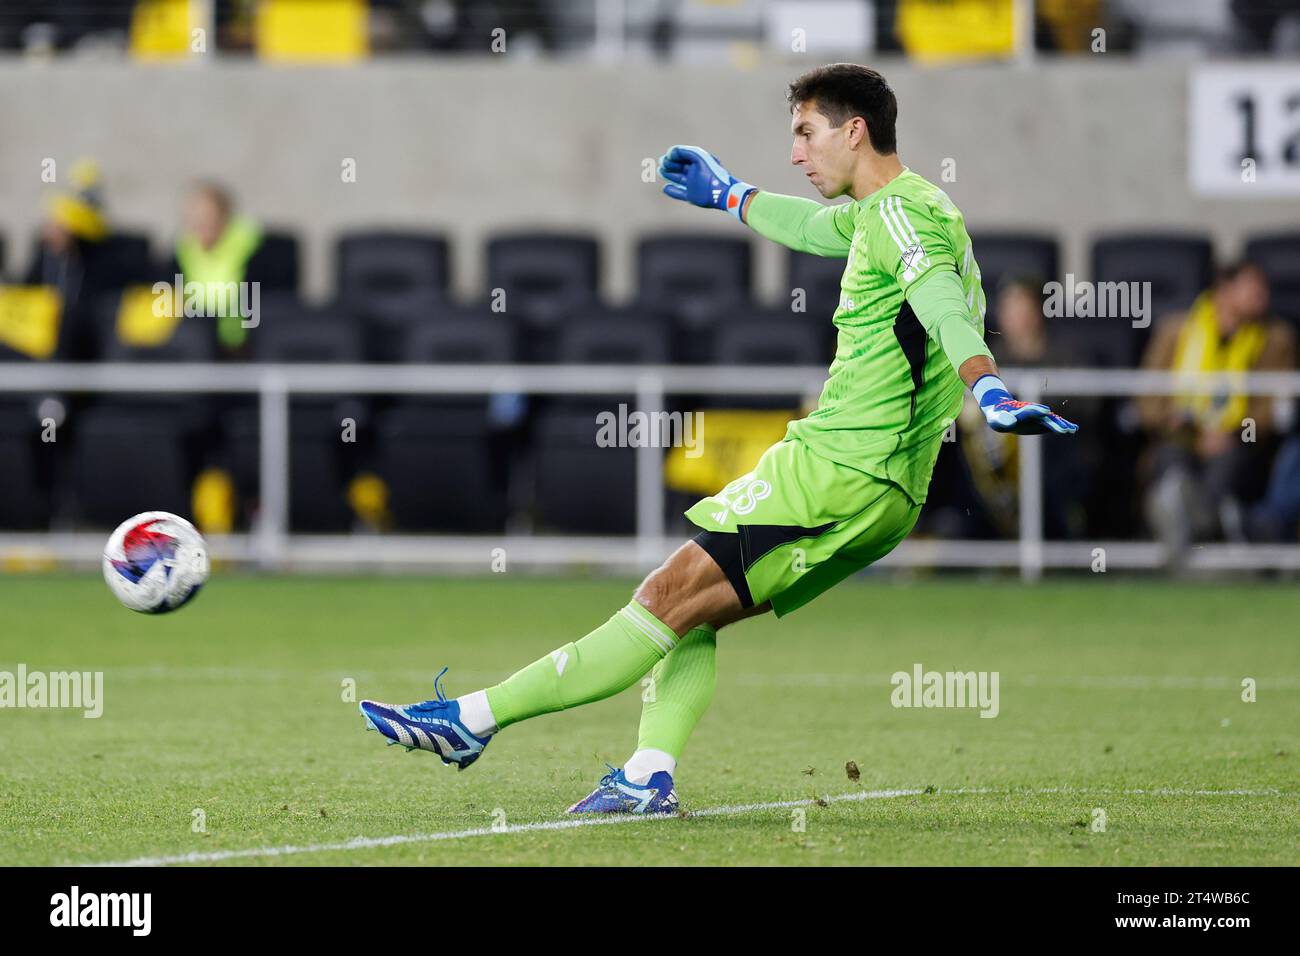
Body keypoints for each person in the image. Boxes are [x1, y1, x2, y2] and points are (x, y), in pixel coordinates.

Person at [359, 63, 1077, 814]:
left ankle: (473, 720)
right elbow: (810, 227)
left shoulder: (902, 215)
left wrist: (986, 385)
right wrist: (733, 196)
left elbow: (937, 303)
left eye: (806, 133)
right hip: (876, 483)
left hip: (842, 470)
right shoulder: (900, 212)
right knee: (690, 611)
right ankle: (646, 776)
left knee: (662, 595)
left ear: (854, 130)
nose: (796, 154)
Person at [1139, 260, 1296, 555]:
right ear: (1224, 290)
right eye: (1252, 288)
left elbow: (1278, 403)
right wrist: (1181, 425)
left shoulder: (1277, 339)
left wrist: (1234, 430)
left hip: (1239, 442)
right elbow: (1146, 397)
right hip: (1179, 437)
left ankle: (1190, 543)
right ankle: (1205, 533)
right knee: (1173, 465)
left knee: (1226, 466)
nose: (1262, 296)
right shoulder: (1176, 330)